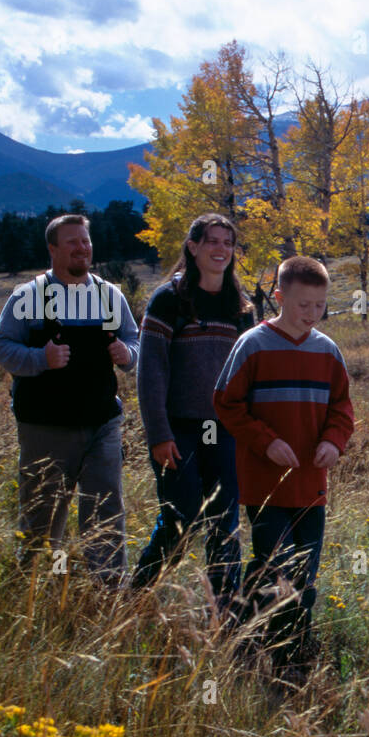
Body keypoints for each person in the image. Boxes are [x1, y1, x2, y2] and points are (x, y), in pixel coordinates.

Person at [212, 255, 354, 684]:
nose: (311, 314)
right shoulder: (253, 344)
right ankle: (283, 660)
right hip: (264, 485)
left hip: (312, 485)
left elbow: (342, 409)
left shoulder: (327, 350)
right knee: (279, 568)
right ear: (278, 298)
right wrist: (266, 440)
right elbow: (225, 402)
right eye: (302, 305)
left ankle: (278, 646)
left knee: (304, 574)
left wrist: (333, 441)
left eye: (319, 306)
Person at [0, 213, 140, 588]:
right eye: (71, 241)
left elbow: (135, 343)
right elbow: (1, 347)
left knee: (105, 509)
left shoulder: (109, 295)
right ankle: (36, 590)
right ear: (53, 249)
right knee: (44, 515)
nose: (82, 248)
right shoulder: (29, 296)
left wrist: (128, 355)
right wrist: (41, 359)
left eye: (85, 241)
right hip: (44, 427)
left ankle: (108, 591)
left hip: (102, 422)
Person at [131, 214, 253, 619]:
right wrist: (158, 434)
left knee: (224, 522)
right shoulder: (169, 300)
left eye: (228, 243)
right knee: (180, 519)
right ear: (193, 247)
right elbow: (151, 372)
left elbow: (251, 374)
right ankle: (137, 596)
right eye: (212, 241)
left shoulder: (240, 306)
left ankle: (225, 615)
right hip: (180, 427)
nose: (221, 249)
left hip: (223, 429)